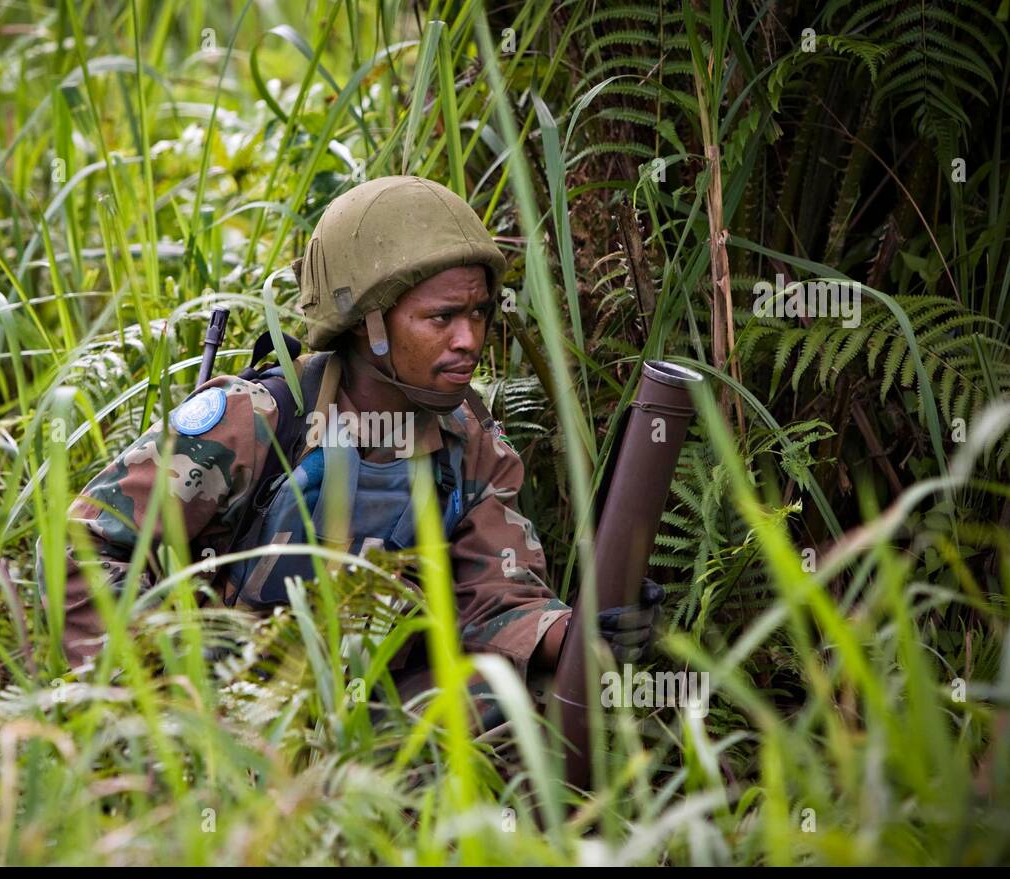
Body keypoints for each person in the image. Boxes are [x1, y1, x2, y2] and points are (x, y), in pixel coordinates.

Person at [37, 175, 663, 728]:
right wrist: (163, 686)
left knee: (517, 698)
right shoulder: (257, 419)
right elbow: (82, 548)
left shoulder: (471, 441)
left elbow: (497, 599)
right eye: (441, 317)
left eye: (479, 312)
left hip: (377, 710)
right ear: (369, 322)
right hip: (225, 708)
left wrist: (574, 633)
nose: (470, 340)